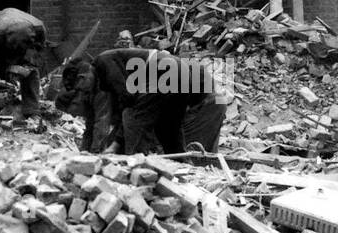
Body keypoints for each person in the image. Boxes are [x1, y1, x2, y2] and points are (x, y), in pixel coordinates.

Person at [54, 47, 224, 155]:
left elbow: (127, 102)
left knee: (133, 118)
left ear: (83, 77)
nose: (84, 92)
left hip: (166, 73)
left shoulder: (102, 62)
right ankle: (182, 164)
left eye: (81, 88)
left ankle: (135, 166)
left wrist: (115, 145)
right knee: (168, 128)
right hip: (178, 73)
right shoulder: (106, 71)